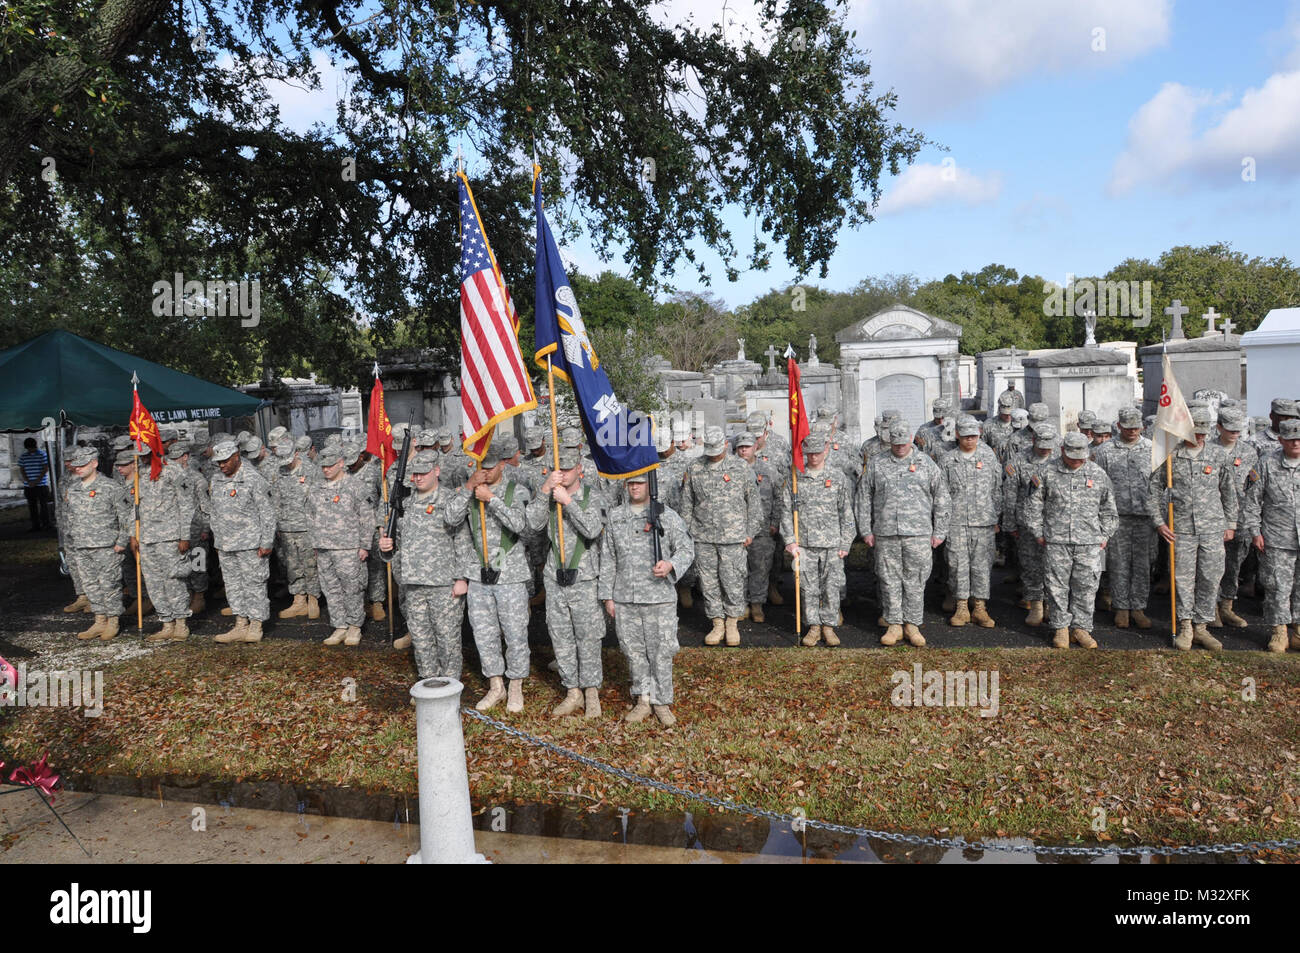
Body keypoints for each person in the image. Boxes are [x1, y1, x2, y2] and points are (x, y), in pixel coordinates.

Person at [600, 470, 694, 725]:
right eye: (630, 483)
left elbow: (686, 548)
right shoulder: (616, 517)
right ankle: (642, 698)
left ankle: (661, 701)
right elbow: (608, 557)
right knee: (633, 651)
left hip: (659, 597)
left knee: (661, 651)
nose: (634, 488)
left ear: (649, 485)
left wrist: (671, 565)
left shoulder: (665, 515)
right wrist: (608, 596)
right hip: (626, 597)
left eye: (639, 483)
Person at [446, 436, 532, 712]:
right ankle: (496, 685)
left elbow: (521, 525)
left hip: (510, 574)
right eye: (482, 466)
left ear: (503, 466)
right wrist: (469, 488)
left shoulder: (516, 491)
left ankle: (516, 685)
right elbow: (451, 518)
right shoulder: (469, 490)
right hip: (479, 574)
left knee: (515, 633)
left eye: (491, 467)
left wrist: (491, 499)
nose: (486, 472)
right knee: (484, 634)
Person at [525, 445, 606, 718]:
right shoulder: (548, 495)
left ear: (580, 469)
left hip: (584, 578)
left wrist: (568, 503)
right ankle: (573, 691)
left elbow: (593, 529)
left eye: (568, 469)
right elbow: (532, 525)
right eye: (559, 469)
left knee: (588, 637)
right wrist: (546, 490)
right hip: (556, 577)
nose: (564, 474)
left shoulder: (592, 496)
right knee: (561, 637)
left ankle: (592, 692)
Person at [1149, 407, 1238, 651]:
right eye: (1195, 433)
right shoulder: (1170, 456)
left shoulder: (1218, 455)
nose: (1199, 437)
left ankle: (1202, 626)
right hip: (1182, 529)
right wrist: (1159, 522)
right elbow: (1153, 491)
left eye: (1203, 433)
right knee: (1183, 580)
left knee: (1210, 578)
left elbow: (1229, 491)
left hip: (1212, 528)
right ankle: (1185, 625)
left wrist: (1231, 524)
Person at [857, 421, 950, 647]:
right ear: (890, 442)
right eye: (895, 444)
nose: (899, 447)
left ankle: (912, 624)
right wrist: (865, 530)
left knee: (916, 580)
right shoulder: (877, 464)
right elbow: (863, 497)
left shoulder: (926, 464)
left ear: (911, 440)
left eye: (903, 443)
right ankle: (894, 624)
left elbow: (942, 498)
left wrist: (940, 531)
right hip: (886, 533)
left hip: (918, 533)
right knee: (889, 579)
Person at [378, 451, 471, 676]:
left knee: (447, 638)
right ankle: (429, 682)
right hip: (413, 583)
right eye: (414, 474)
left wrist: (462, 578)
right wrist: (385, 548)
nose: (418, 478)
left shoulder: (450, 500)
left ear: (436, 471)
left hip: (443, 583)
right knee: (420, 638)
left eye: (423, 473)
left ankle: (449, 687)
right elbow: (397, 543)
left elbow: (463, 540)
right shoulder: (405, 505)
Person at [1024, 432, 1118, 649]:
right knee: (1056, 587)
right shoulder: (1046, 472)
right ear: (1063, 450)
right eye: (1073, 455)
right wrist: (1038, 533)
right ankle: (1060, 629)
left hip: (1090, 543)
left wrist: (1104, 536)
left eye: (1081, 456)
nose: (1077, 460)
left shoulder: (1097, 473)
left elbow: (1109, 509)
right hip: (1056, 541)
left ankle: (1081, 628)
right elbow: (1033, 506)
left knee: (1087, 586)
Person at [678, 425, 761, 647]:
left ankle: (732, 623)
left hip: (734, 537)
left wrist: (750, 532)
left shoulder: (740, 468)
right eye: (710, 450)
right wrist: (686, 533)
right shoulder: (695, 467)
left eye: (718, 449)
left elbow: (753, 504)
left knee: (733, 580)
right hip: (703, 536)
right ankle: (717, 623)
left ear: (726, 444)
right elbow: (687, 504)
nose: (714, 454)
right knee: (708, 582)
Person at [781, 431, 855, 646]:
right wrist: (790, 540)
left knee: (832, 587)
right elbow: (786, 511)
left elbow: (846, 513)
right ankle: (813, 626)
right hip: (804, 543)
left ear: (825, 450)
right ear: (804, 452)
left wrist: (846, 542)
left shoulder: (837, 478)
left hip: (832, 543)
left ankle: (829, 626)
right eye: (809, 453)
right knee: (808, 587)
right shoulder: (795, 477)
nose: (813, 457)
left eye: (817, 452)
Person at [117, 448, 196, 642]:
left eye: (146, 453)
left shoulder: (174, 471)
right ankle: (166, 623)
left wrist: (184, 535)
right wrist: (133, 534)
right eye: (140, 454)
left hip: (170, 536)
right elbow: (135, 506)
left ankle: (181, 623)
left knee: (173, 580)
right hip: (146, 537)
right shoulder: (140, 472)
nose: (143, 457)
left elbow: (186, 504)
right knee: (153, 582)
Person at [204, 439, 276, 644]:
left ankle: (256, 624)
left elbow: (267, 514)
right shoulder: (217, 479)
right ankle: (240, 623)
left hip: (250, 543)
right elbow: (214, 512)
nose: (221, 465)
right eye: (219, 462)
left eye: (225, 461)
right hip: (226, 543)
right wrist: (218, 540)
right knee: (233, 585)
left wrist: (266, 542)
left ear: (236, 457)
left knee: (254, 584)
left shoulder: (253, 479)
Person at [1242, 418, 1300, 653]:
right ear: (1280, 439)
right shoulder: (1266, 464)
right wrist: (1255, 531)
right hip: (1277, 537)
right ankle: (1279, 632)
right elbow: (1252, 501)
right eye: (1290, 438)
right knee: (1277, 586)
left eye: (1299, 438)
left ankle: (1298, 631)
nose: (1296, 442)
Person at [938, 416, 1001, 628]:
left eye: (973, 436)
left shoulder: (988, 457)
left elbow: (997, 489)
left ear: (979, 434)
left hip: (983, 522)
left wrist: (996, 516)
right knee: (957, 566)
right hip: (956, 523)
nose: (969, 440)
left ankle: (980, 607)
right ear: (957, 435)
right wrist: (943, 522)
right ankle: (962, 606)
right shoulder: (948, 460)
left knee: (982, 565)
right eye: (965, 436)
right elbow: (941, 494)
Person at [1094, 407, 1154, 629]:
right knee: (1117, 563)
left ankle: (1138, 607)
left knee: (1142, 564)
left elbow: (1160, 484)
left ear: (1142, 427)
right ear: (1118, 426)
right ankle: (1120, 607)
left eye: (1136, 427)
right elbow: (1099, 485)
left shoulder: (1151, 449)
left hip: (1145, 516)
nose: (1132, 431)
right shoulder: (1105, 450)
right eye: (1127, 427)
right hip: (1116, 516)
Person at [64, 446, 131, 640]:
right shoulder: (74, 488)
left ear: (94, 463)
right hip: (82, 545)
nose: (78, 469)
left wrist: (122, 541)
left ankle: (113, 621)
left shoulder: (111, 487)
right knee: (91, 585)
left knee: (109, 586)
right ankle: (99, 620)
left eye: (83, 465)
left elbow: (125, 517)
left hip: (106, 546)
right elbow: (70, 516)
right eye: (76, 465)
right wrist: (72, 539)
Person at [1004, 425, 1060, 627]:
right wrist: (1010, 523)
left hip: (1055, 522)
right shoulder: (1018, 461)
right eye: (1041, 444)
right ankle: (1036, 605)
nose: (1045, 449)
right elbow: (1010, 494)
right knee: (1030, 565)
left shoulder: (1060, 459)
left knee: (1055, 566)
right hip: (1026, 522)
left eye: (1049, 445)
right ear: (1033, 440)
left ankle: (1051, 605)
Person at [1212, 408, 1258, 629]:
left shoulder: (1249, 452)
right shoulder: (1208, 449)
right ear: (1219, 427)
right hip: (1212, 516)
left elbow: (1253, 488)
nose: (1234, 434)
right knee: (1211, 565)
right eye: (1229, 429)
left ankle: (1227, 606)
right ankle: (1210, 607)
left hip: (1239, 518)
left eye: (1238, 430)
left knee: (1233, 565)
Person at [735, 431, 780, 622]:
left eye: (747, 446)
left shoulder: (768, 470)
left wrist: (775, 522)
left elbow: (779, 497)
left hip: (762, 529)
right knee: (737, 569)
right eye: (740, 447)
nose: (744, 450)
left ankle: (757, 605)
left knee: (760, 568)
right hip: (736, 529)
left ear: (755, 447)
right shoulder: (731, 469)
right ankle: (741, 604)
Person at [18, 437, 53, 531]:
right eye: (29, 448)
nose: (30, 450)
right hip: (29, 485)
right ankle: (35, 525)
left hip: (41, 484)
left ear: (35, 446)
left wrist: (36, 481)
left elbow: (45, 468)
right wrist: (28, 481)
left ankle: (46, 524)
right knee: (32, 506)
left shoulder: (42, 455)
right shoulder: (23, 456)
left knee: (44, 505)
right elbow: (22, 469)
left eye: (31, 448)